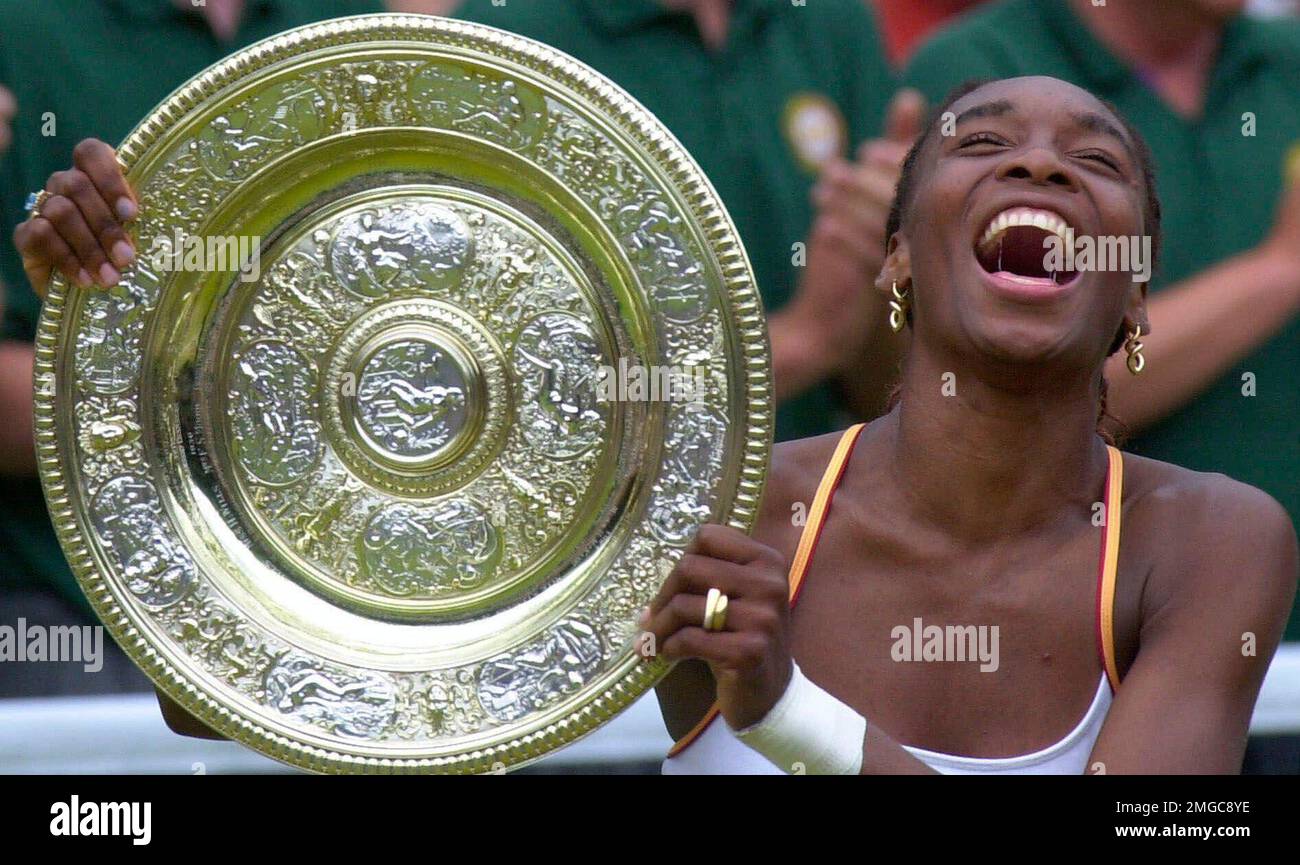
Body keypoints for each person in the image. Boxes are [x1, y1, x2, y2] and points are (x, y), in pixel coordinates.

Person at [641, 77, 1297, 774]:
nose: (1040, 165)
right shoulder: (721, 512)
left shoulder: (1211, 540)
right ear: (897, 257)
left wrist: (787, 713)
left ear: (1135, 294)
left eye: (1098, 161)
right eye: (983, 142)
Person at [0, 0, 385, 697]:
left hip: (340, 617)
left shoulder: (357, 25)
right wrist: (253, 403)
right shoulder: (20, 36)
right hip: (77, 620)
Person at [899, 0, 1300, 640]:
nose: (1039, 165)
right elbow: (1001, 387)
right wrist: (1278, 272)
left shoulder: (1285, 59)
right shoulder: (981, 66)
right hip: (1088, 639)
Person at [454, 0, 911, 442]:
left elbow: (880, 395)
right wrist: (799, 344)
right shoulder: (506, 34)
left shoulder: (832, 20)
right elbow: (522, 395)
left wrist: (886, 278)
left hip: (811, 505)